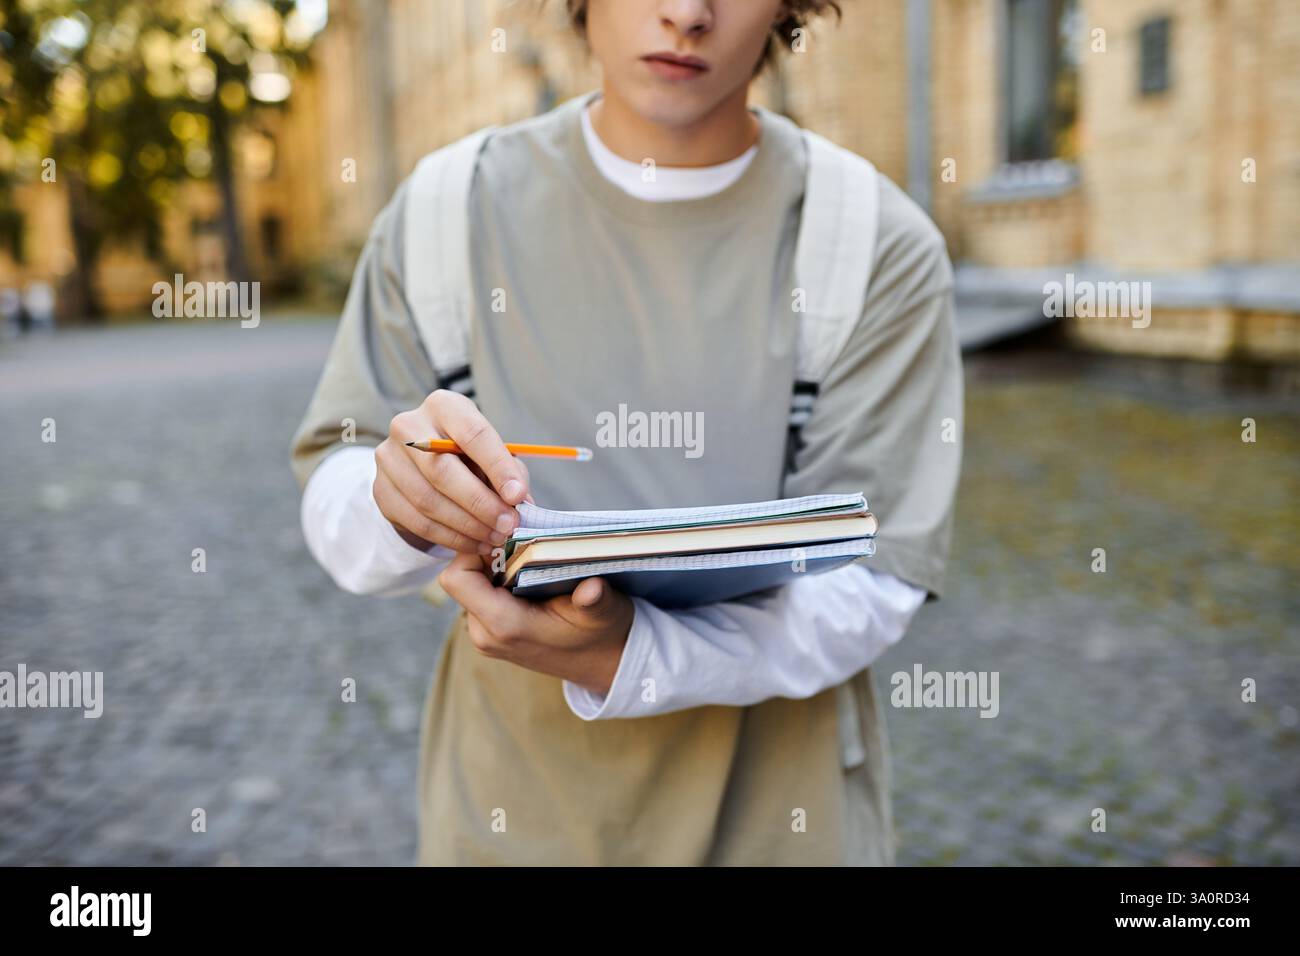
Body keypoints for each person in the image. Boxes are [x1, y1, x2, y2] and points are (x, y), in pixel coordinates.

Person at [290, 0, 963, 865]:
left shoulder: (874, 243)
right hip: (505, 816)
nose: (687, 13)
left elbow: (875, 576)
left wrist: (627, 654)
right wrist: (402, 503)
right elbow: (337, 482)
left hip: (776, 819)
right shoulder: (442, 216)